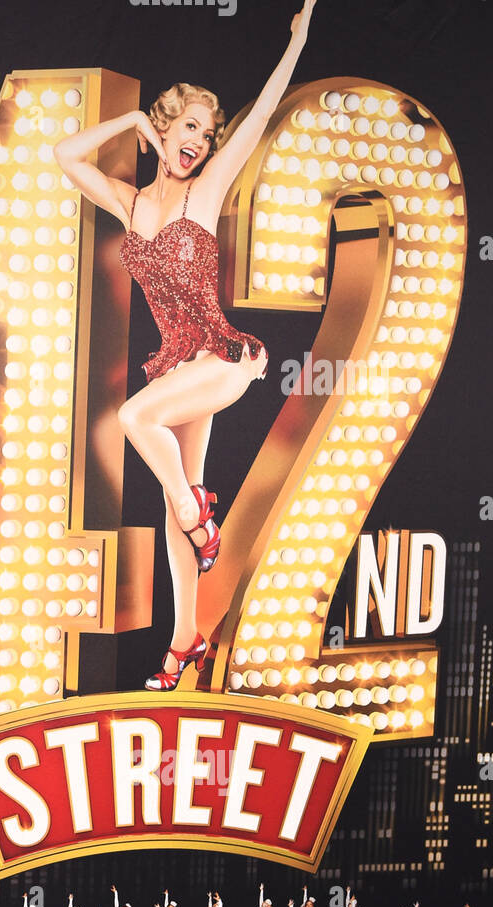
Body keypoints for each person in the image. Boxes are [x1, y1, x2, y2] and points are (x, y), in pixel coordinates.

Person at [53, 0, 316, 689]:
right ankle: (185, 638)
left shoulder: (209, 189)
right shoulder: (130, 203)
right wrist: (131, 121)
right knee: (173, 496)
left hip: (224, 356)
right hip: (178, 362)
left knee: (134, 418)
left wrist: (298, 42)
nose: (198, 139)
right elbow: (63, 155)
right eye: (187, 126)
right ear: (164, 130)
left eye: (207, 131)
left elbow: (261, 114)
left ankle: (201, 519)